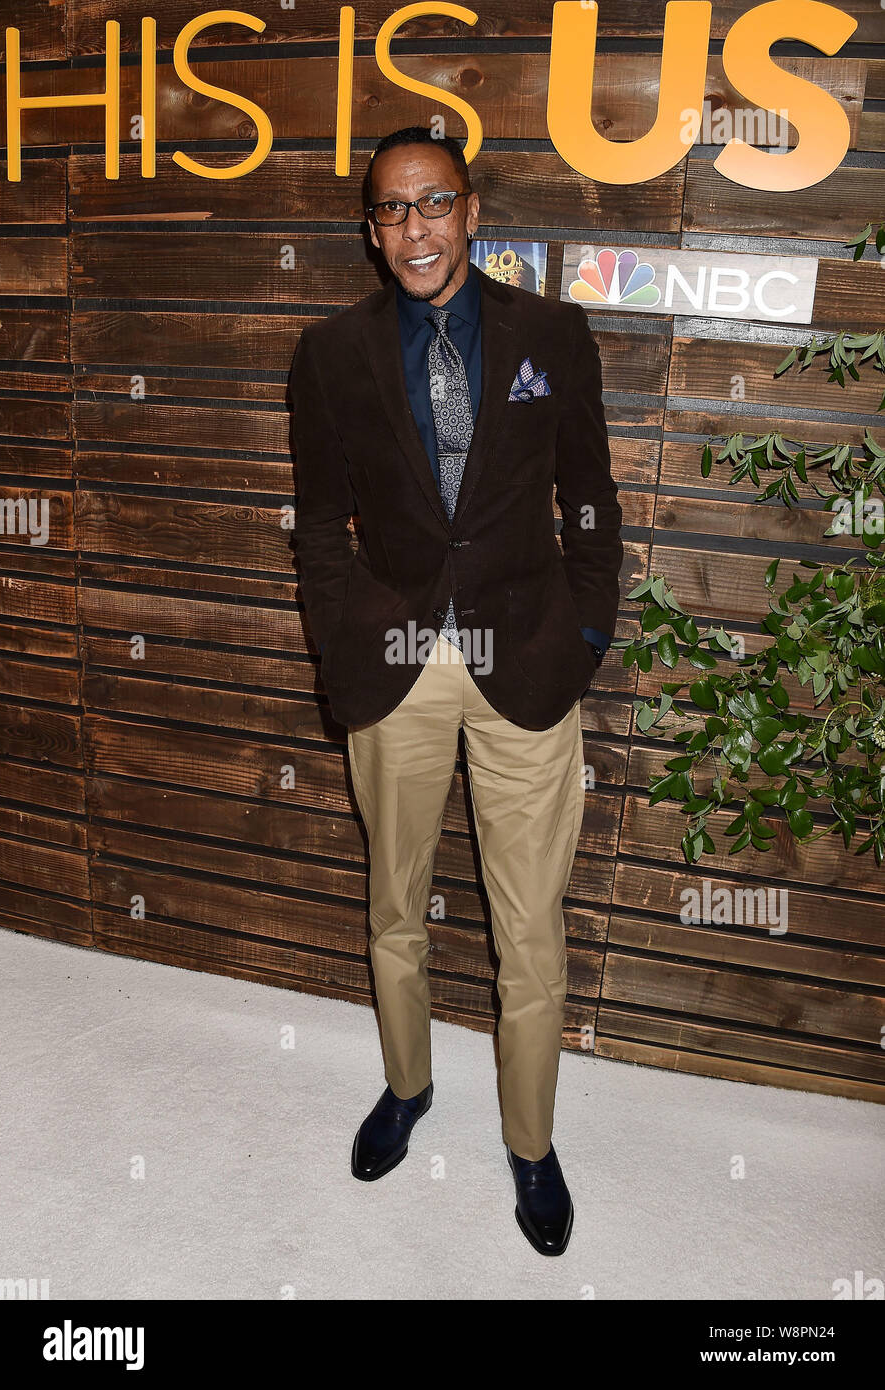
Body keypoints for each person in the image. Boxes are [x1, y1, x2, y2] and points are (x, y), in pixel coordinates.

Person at [290, 126, 623, 1256]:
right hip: (394, 665)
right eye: (391, 211)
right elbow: (320, 531)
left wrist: (583, 631)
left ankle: (530, 1146)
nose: (414, 229)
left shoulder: (552, 333)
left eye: (432, 204)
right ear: (371, 232)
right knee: (396, 907)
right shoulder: (328, 353)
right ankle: (408, 1085)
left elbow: (591, 497)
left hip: (526, 659)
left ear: (471, 211)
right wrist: (339, 643)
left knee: (528, 929)